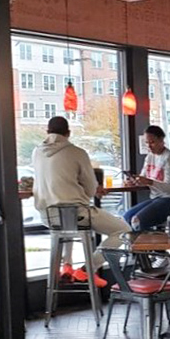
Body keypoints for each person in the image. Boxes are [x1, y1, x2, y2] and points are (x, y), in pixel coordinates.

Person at [32, 115, 130, 286]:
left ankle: (67, 267)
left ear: (47, 132)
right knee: (123, 231)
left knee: (67, 224)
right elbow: (91, 189)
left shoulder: (36, 152)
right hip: (76, 213)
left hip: (47, 216)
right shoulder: (77, 153)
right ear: (68, 133)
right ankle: (87, 270)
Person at [123, 125, 170, 231]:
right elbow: (144, 177)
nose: (149, 146)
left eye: (152, 142)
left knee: (137, 221)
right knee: (126, 217)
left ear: (161, 140)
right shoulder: (149, 157)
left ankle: (152, 246)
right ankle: (143, 246)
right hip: (156, 198)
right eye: (147, 143)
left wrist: (149, 182)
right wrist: (135, 181)